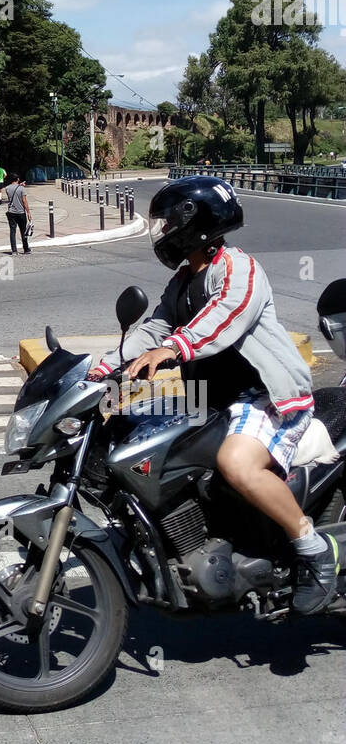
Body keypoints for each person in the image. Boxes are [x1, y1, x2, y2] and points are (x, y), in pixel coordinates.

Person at [87, 176, 338, 615]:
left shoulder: (238, 268)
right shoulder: (184, 282)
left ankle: (313, 548)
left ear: (194, 222)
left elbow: (228, 317)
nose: (161, 232)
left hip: (267, 397)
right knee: (129, 425)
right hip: (213, 402)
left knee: (235, 463)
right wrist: (105, 366)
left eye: (167, 223)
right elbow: (154, 328)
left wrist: (174, 349)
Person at [4, 172, 32, 255]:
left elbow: (13, 193)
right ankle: (26, 248)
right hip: (21, 212)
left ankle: (14, 250)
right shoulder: (21, 189)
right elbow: (24, 201)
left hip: (11, 212)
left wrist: (20, 185)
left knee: (12, 231)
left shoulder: (7, 188)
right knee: (23, 231)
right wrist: (28, 212)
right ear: (18, 179)